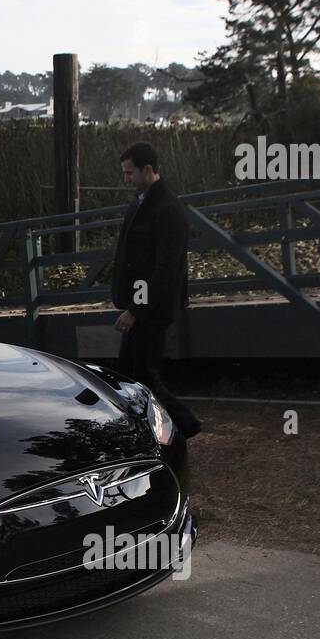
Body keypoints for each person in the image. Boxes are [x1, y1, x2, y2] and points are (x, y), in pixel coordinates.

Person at [110, 142, 202, 439]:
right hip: (144, 305)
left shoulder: (167, 209)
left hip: (152, 309)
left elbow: (165, 270)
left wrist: (135, 310)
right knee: (128, 373)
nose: (126, 179)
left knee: (143, 375)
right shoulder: (147, 203)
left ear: (147, 169)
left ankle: (185, 423)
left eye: (130, 173)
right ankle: (141, 429)